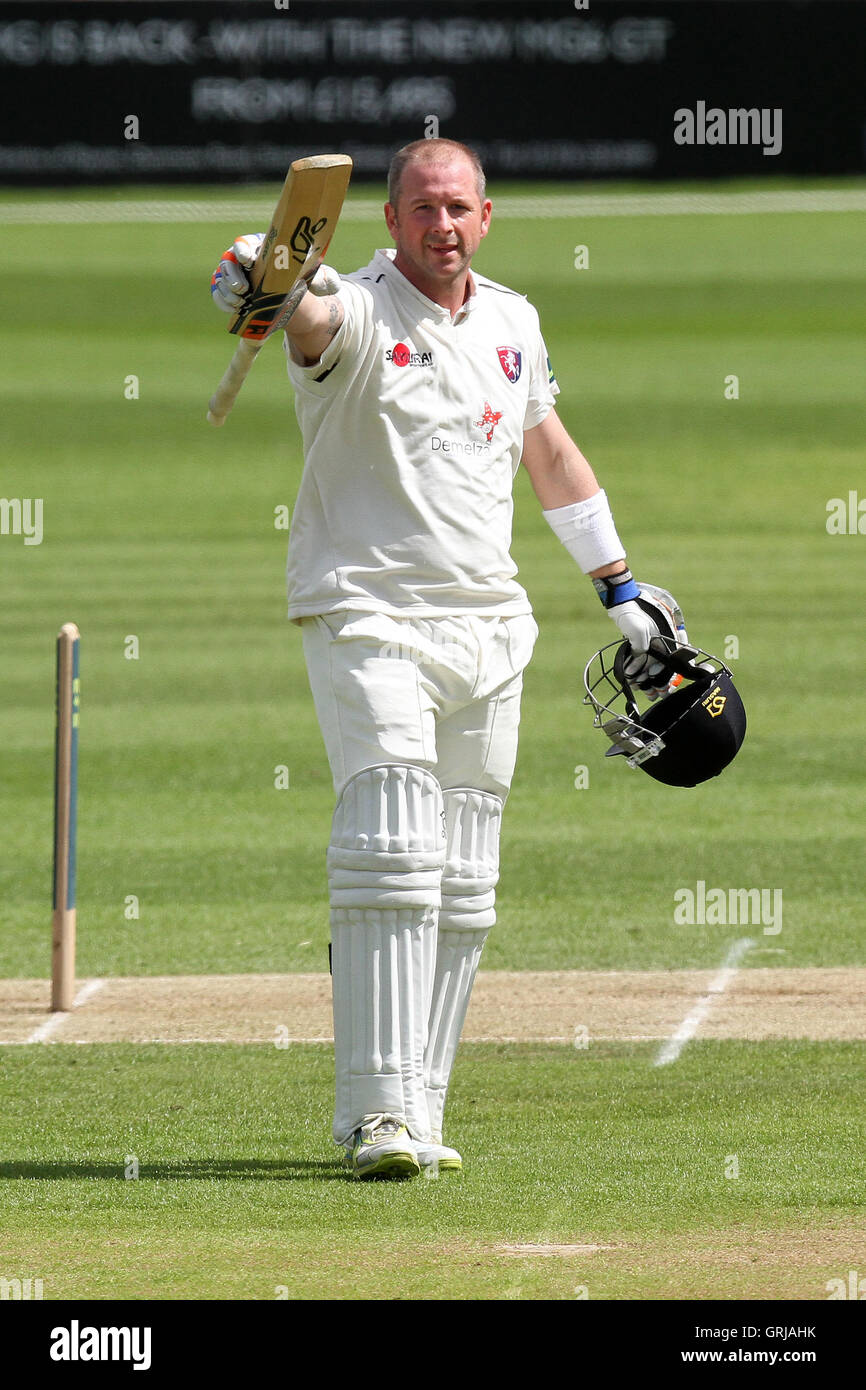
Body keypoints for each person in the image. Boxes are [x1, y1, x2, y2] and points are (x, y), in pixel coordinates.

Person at [211, 139, 669, 1180]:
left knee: (463, 881)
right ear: (389, 220)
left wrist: (617, 583)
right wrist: (272, 283)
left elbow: (546, 452)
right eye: (422, 209)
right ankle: (374, 1116)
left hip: (491, 625)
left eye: (458, 207)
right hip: (368, 613)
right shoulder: (357, 309)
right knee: (391, 850)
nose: (442, 226)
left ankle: (420, 1105)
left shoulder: (513, 320)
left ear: (486, 214)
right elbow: (311, 323)